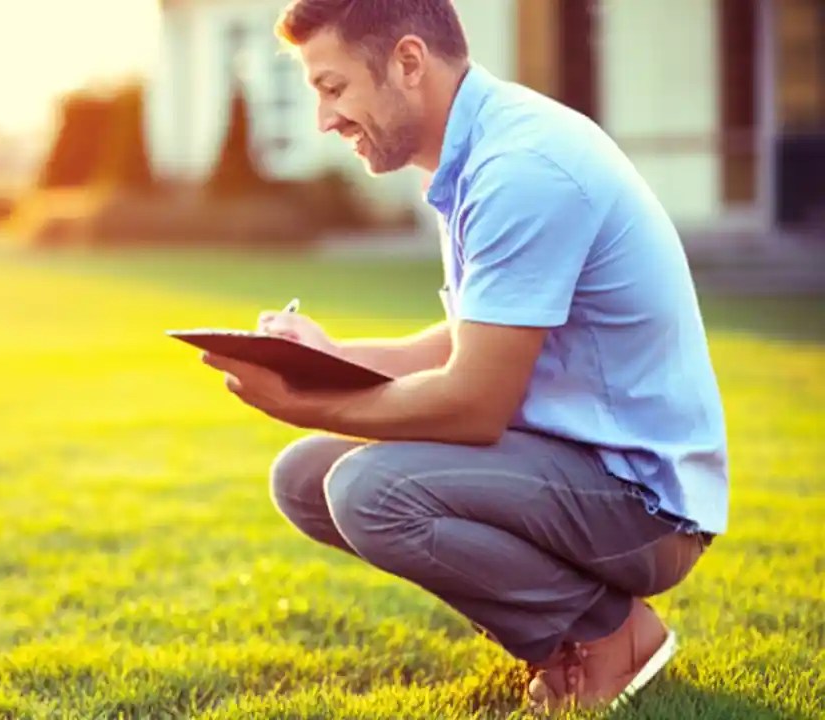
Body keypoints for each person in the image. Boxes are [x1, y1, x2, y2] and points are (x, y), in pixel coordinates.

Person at [198, 0, 727, 713]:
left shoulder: (522, 168)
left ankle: (613, 634)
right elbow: (470, 340)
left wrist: (306, 404)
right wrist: (327, 356)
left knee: (371, 491)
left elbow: (475, 405)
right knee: (304, 478)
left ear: (408, 62)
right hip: (574, 466)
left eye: (333, 88)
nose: (325, 120)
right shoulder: (478, 154)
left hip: (643, 503)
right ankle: (564, 637)